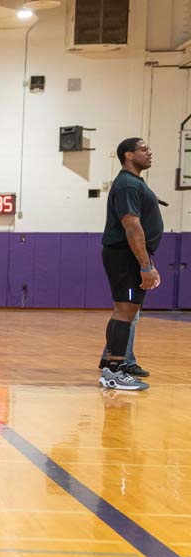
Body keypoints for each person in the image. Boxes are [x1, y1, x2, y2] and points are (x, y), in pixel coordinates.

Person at [99, 138, 161, 391]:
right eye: (144, 149)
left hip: (128, 257)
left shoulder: (133, 183)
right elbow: (132, 225)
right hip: (125, 257)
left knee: (126, 312)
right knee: (125, 312)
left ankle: (115, 367)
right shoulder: (127, 184)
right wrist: (145, 266)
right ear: (128, 155)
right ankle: (113, 371)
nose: (149, 152)